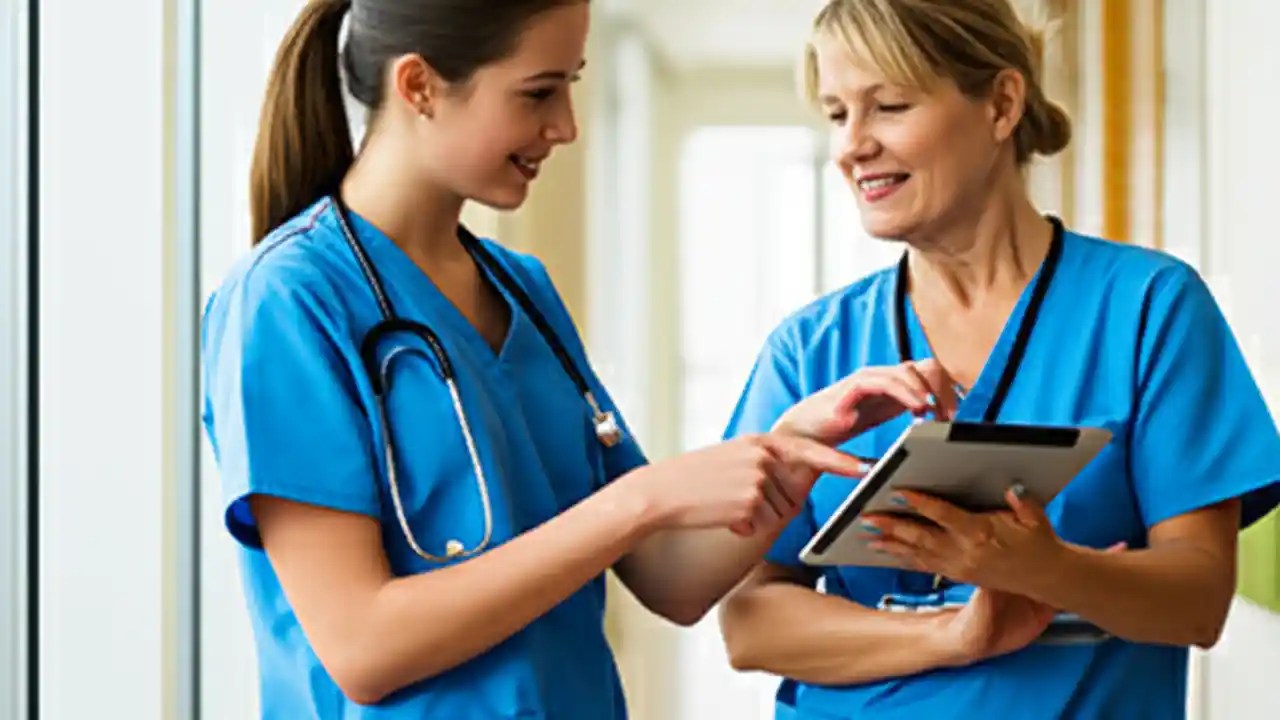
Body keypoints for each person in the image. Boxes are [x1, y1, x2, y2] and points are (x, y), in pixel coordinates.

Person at [198, 1, 883, 718]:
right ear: (419, 86)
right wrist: (638, 503)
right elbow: (363, 648)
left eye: (571, 86)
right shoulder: (287, 300)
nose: (565, 125)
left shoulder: (521, 290)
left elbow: (670, 581)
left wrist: (792, 452)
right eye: (537, 92)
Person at [716, 1, 1280, 718]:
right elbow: (749, 622)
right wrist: (956, 635)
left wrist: (1046, 570)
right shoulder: (811, 350)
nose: (852, 146)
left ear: (1002, 104)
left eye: (888, 106)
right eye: (835, 114)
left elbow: (1198, 602)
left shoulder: (1147, 308)